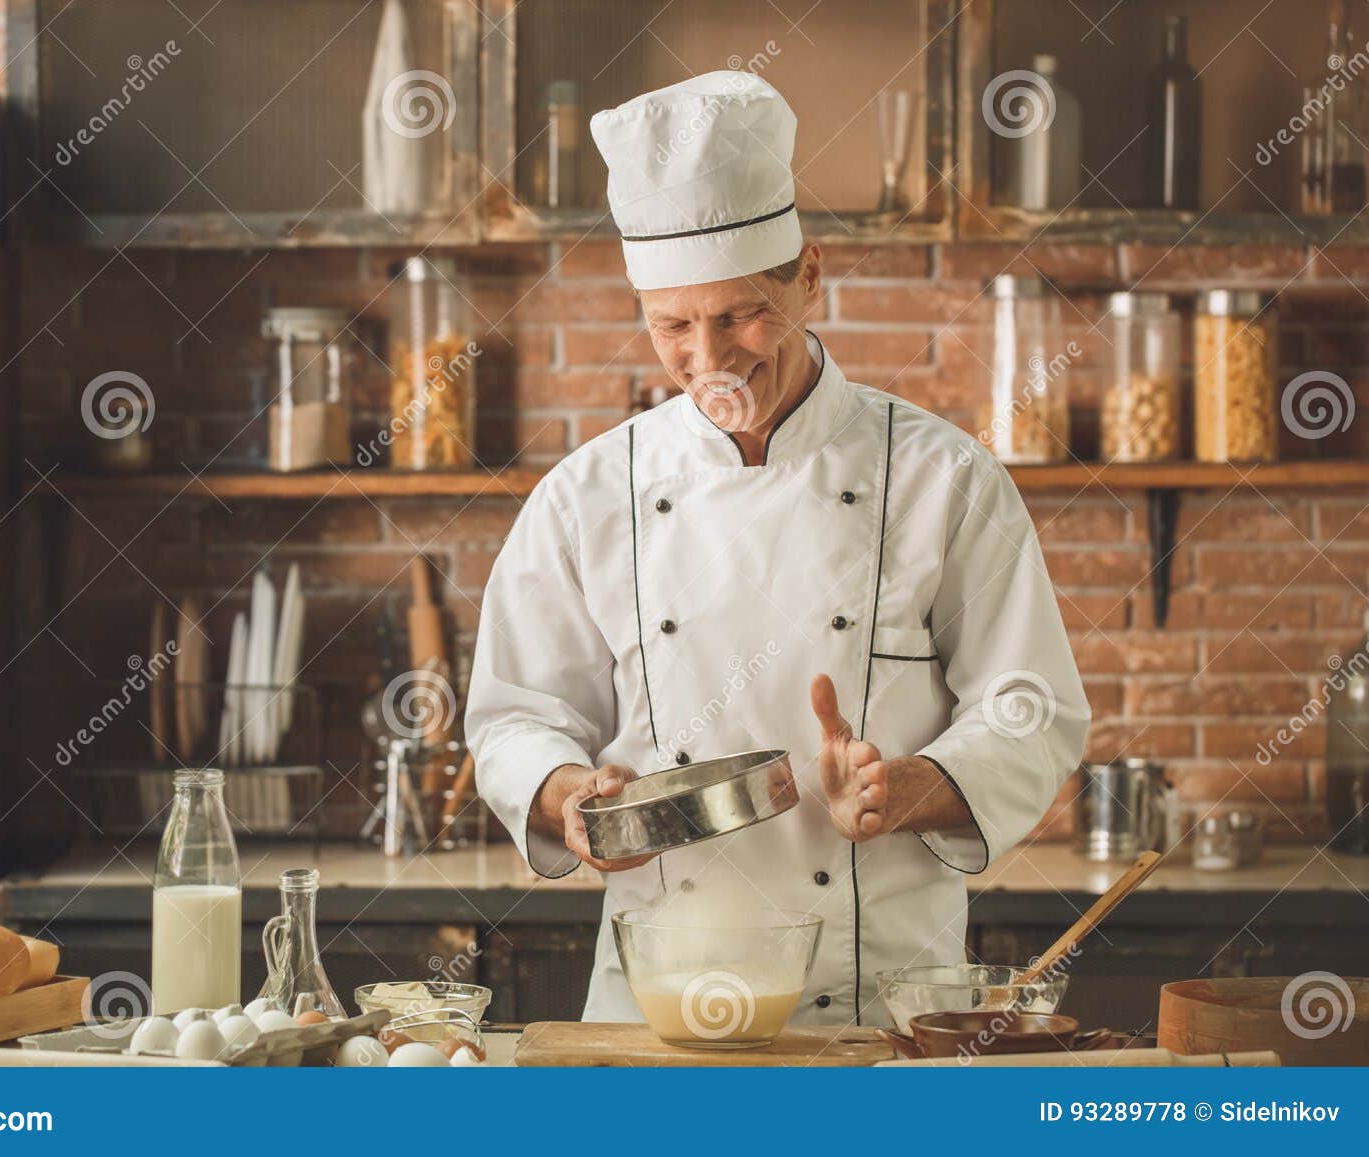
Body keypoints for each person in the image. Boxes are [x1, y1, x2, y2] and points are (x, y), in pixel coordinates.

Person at [465, 72, 1089, 1026]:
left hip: (875, 999)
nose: (708, 357)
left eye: (739, 315)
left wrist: (910, 787)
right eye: (673, 324)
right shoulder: (587, 496)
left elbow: (1031, 708)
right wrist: (566, 795)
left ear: (807, 276)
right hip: (654, 1006)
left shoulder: (943, 477)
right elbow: (513, 717)